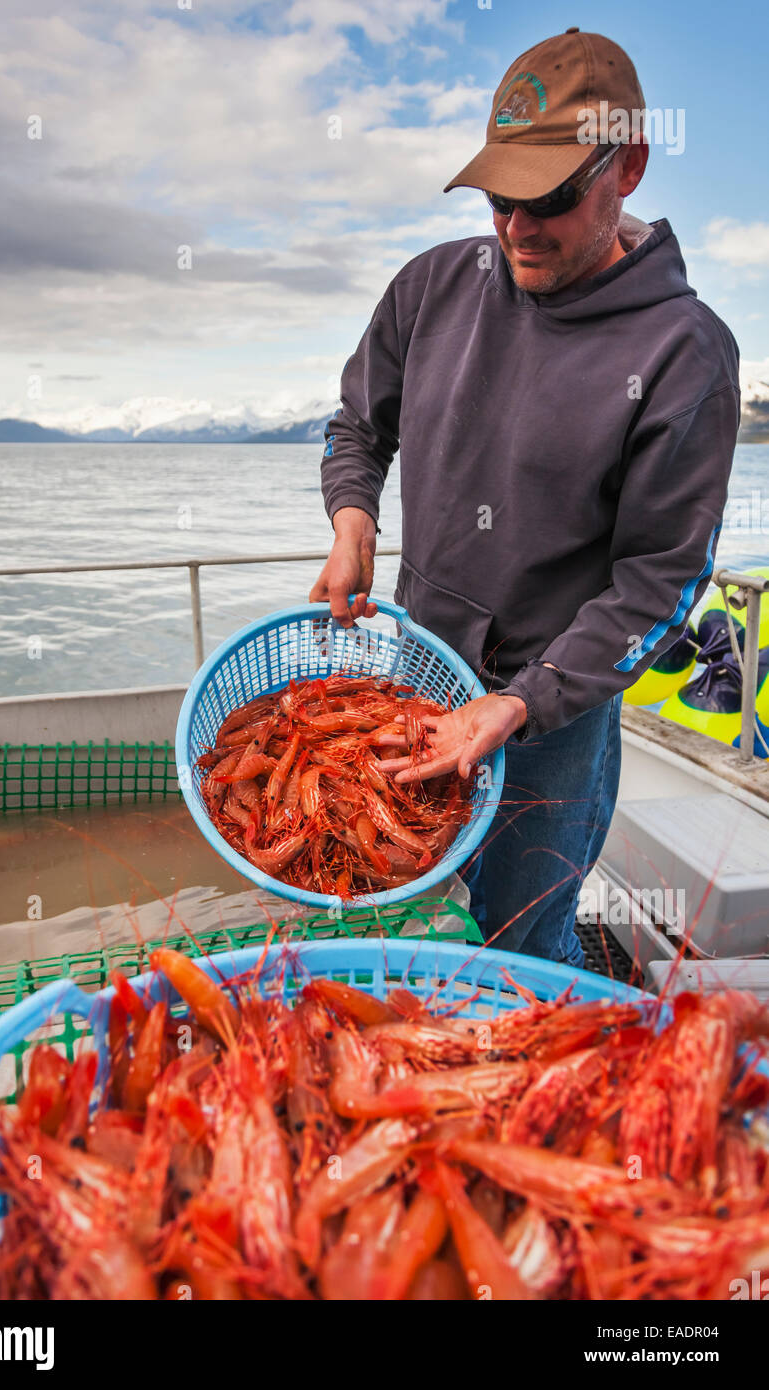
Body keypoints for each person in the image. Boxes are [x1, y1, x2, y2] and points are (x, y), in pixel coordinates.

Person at [310, 29, 740, 965]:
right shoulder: (433, 286)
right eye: (502, 197)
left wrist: (521, 705)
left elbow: (658, 581)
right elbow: (357, 426)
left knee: (520, 939)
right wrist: (353, 524)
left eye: (548, 199)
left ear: (627, 166)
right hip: (415, 679)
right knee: (409, 905)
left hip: (549, 720)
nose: (515, 230)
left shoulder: (686, 355)